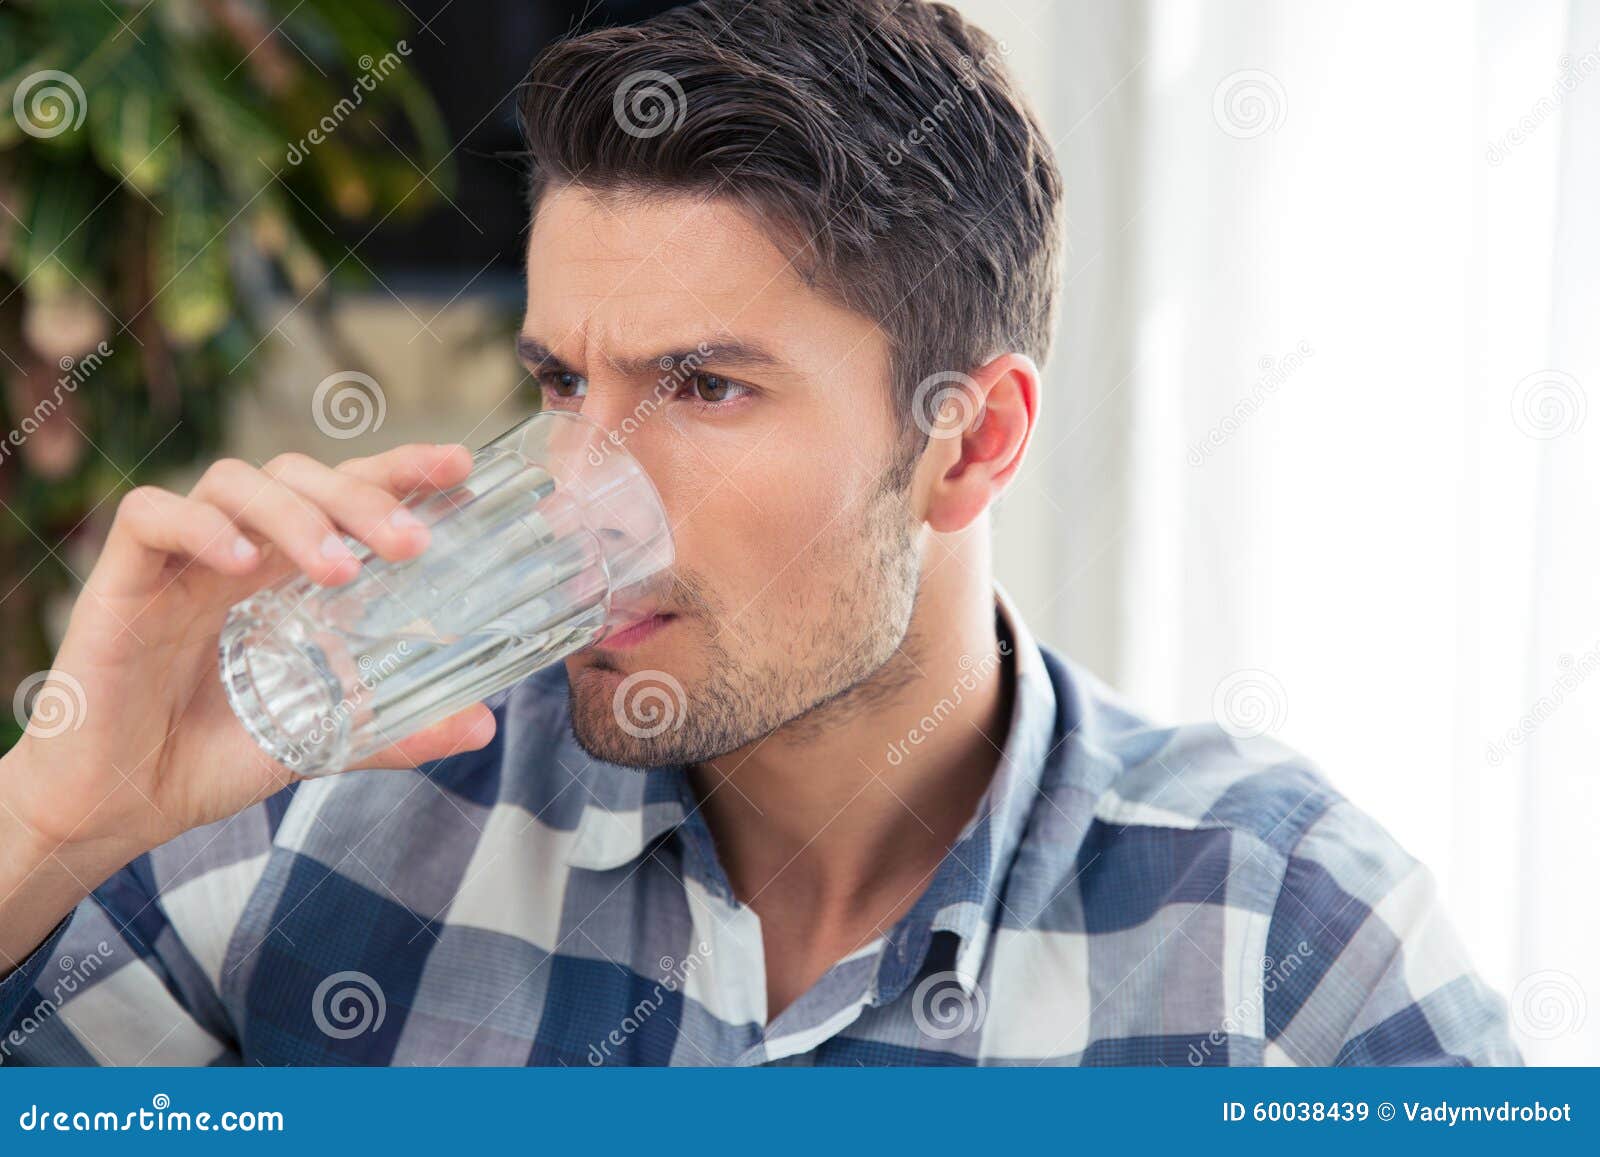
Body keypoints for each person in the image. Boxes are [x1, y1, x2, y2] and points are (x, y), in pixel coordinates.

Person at [0, 0, 1517, 1066]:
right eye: (560, 383)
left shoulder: (1272, 939)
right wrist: (56, 817)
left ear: (970, 439)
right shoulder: (329, 820)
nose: (581, 490)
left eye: (704, 386)